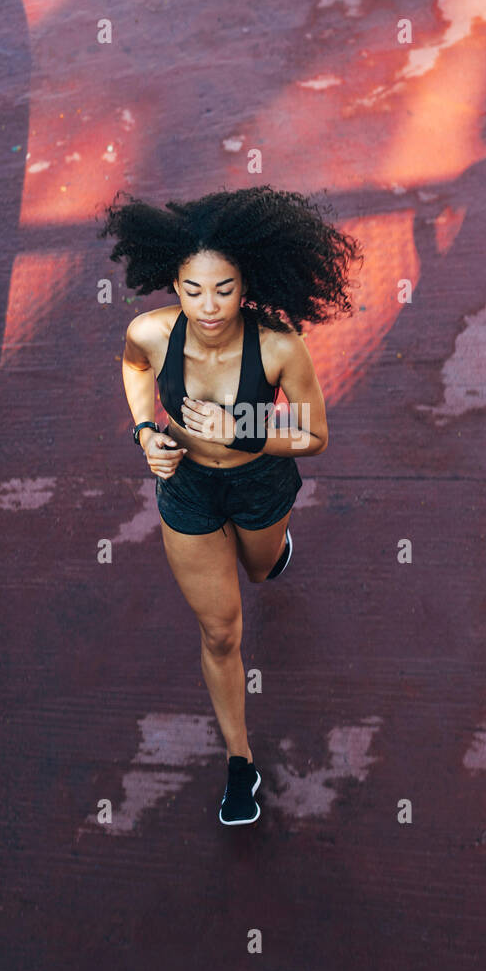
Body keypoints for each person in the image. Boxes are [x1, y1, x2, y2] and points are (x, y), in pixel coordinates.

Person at [98, 184, 362, 826]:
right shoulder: (151, 333)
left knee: (261, 569)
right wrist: (145, 434)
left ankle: (272, 555)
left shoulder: (278, 346)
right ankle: (240, 764)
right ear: (173, 283)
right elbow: (134, 370)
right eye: (192, 289)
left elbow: (314, 434)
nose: (209, 305)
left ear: (248, 284)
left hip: (259, 485)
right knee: (221, 631)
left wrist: (235, 429)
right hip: (186, 487)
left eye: (224, 289)